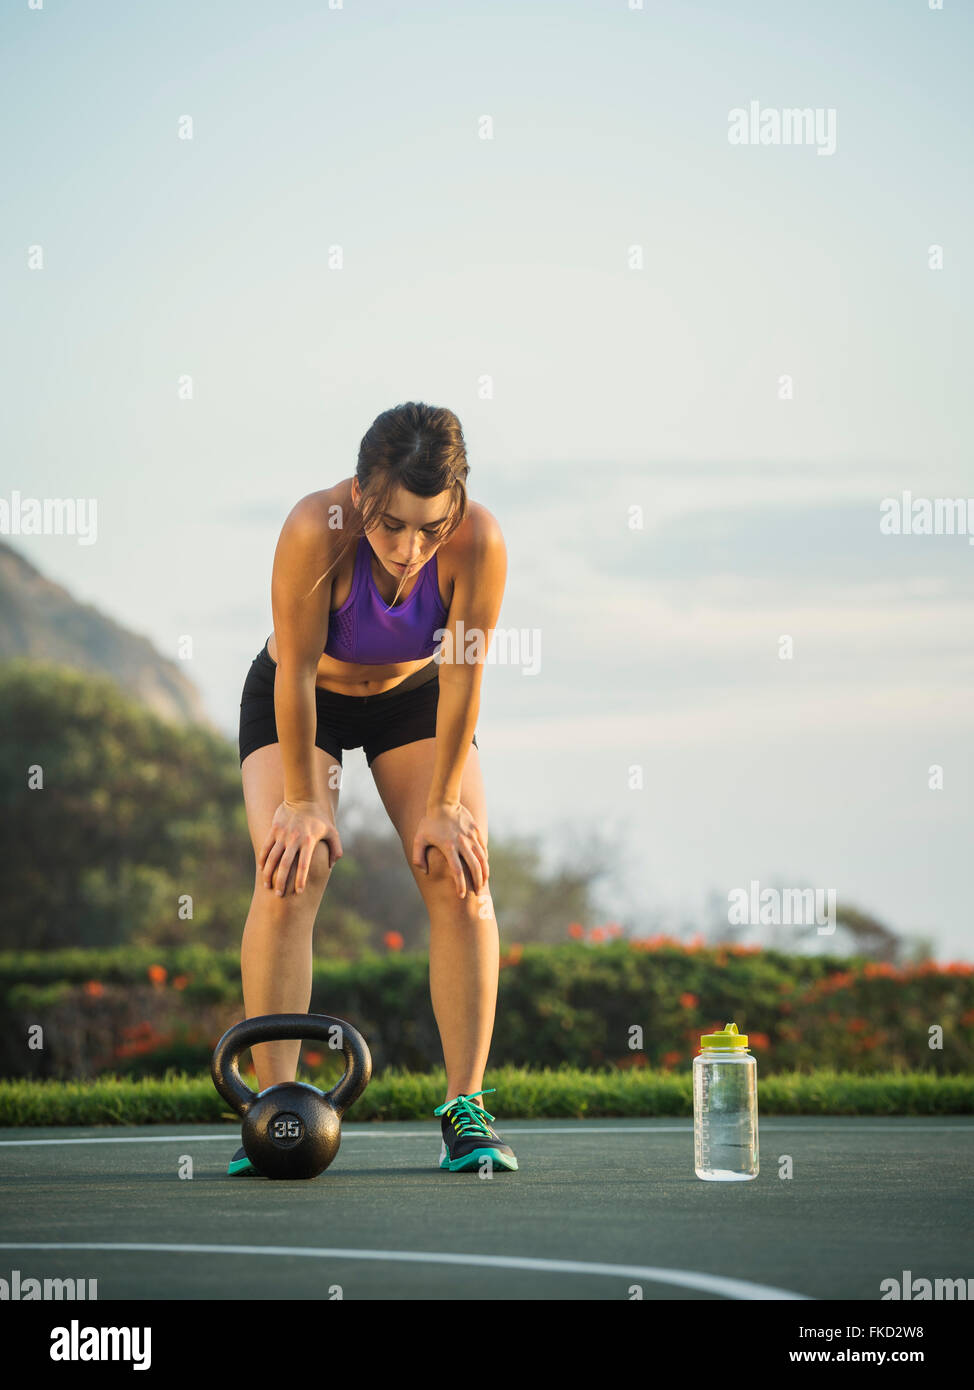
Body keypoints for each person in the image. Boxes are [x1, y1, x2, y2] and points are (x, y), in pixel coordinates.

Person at [231, 402, 518, 1174]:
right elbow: (293, 674)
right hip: (305, 696)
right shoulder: (313, 528)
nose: (409, 548)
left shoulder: (479, 544)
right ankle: (275, 1109)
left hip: (413, 698)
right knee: (294, 869)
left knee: (460, 873)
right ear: (362, 496)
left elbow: (463, 677)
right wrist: (300, 803)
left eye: (430, 528)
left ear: (454, 505)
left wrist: (445, 805)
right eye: (391, 525)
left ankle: (467, 1107)